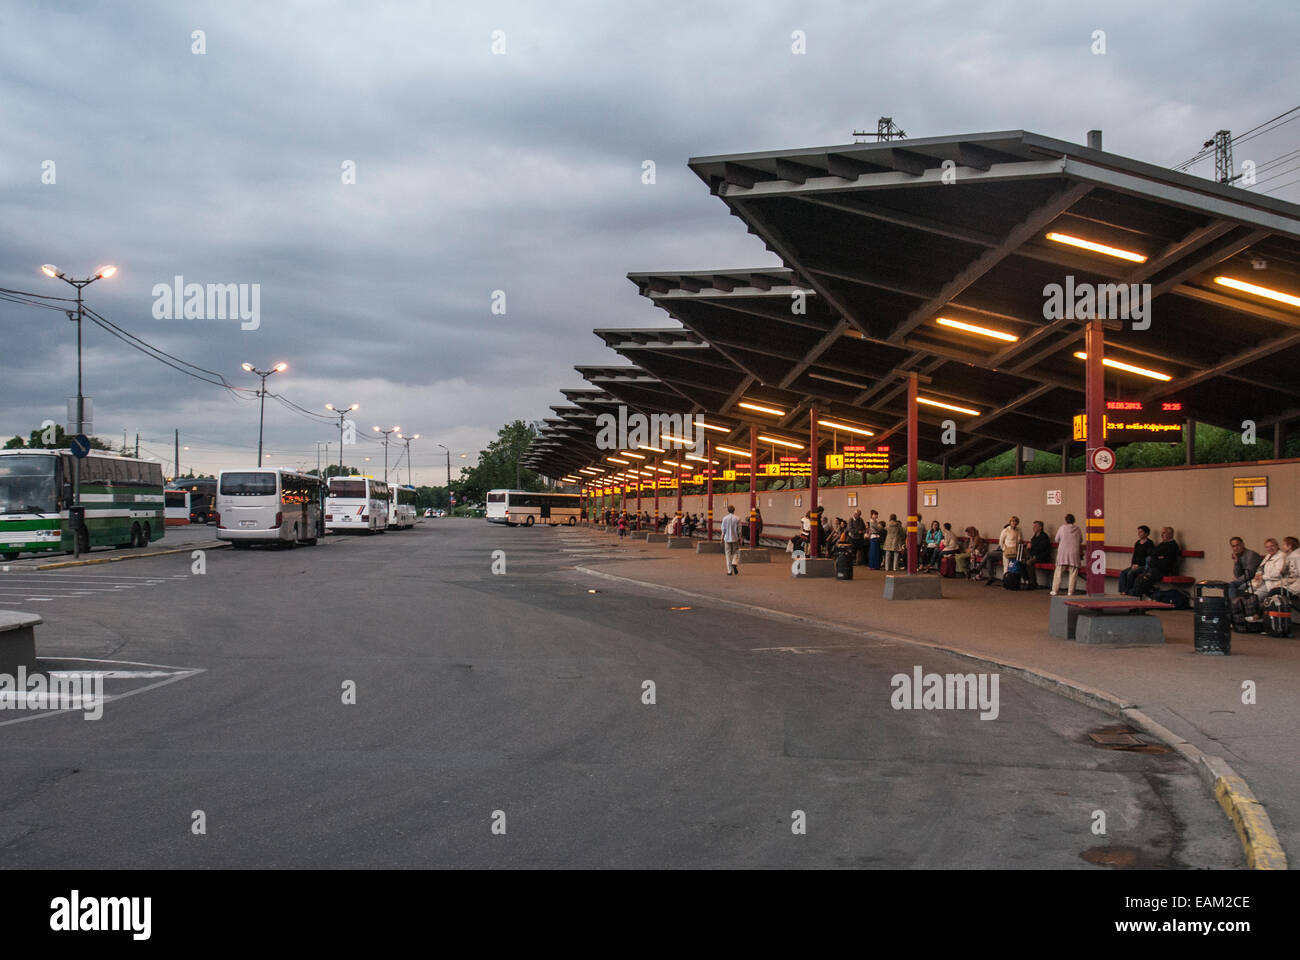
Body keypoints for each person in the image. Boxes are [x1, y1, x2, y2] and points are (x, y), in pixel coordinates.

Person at [981, 516, 1021, 584]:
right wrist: (1004, 549)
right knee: (1006, 567)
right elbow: (1001, 542)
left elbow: (1019, 541)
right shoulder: (1005, 530)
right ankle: (1005, 581)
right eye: (1012, 521)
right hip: (1007, 551)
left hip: (1015, 551)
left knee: (1013, 567)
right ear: (1010, 522)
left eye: (1015, 521)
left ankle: (1012, 581)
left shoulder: (1018, 531)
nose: (1014, 523)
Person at [1050, 513, 1083, 596]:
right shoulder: (1078, 529)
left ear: (1066, 520)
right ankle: (1070, 592)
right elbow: (1081, 540)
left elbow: (1056, 539)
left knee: (1059, 572)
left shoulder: (1062, 528)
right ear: (1074, 520)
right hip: (1074, 553)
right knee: (1073, 573)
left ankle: (1055, 590)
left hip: (1063, 553)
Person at [1117, 525, 1156, 595]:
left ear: (1146, 533)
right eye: (1138, 532)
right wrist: (1133, 564)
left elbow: (1148, 558)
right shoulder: (1137, 543)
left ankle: (1127, 591)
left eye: (1141, 532)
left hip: (1143, 566)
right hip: (1135, 565)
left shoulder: (1149, 543)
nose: (1139, 533)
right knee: (1122, 573)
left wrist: (1138, 565)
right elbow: (1135, 555)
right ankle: (1122, 590)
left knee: (1130, 573)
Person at [721, 504, 742, 575]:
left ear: (728, 510)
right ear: (734, 510)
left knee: (728, 554)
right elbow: (739, 530)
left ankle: (729, 571)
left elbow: (723, 529)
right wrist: (740, 538)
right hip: (735, 538)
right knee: (736, 551)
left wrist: (721, 538)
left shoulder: (724, 518)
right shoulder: (738, 518)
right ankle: (734, 563)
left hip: (726, 538)